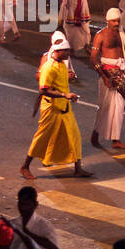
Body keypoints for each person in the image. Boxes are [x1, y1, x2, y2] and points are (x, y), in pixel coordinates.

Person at [21, 32, 93, 180]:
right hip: (51, 108)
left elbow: (60, 84)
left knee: (75, 136)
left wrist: (68, 94)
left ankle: (77, 168)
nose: (68, 53)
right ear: (57, 51)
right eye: (65, 51)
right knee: (42, 138)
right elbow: (44, 89)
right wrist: (65, 95)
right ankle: (25, 166)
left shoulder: (61, 65)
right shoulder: (49, 67)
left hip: (65, 108)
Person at [90, 8, 125, 152]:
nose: (116, 23)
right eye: (113, 21)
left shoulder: (121, 33)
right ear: (107, 20)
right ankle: (95, 133)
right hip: (107, 72)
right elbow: (93, 57)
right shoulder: (100, 35)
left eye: (118, 21)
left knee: (119, 107)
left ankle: (116, 140)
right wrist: (104, 76)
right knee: (105, 106)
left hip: (120, 72)